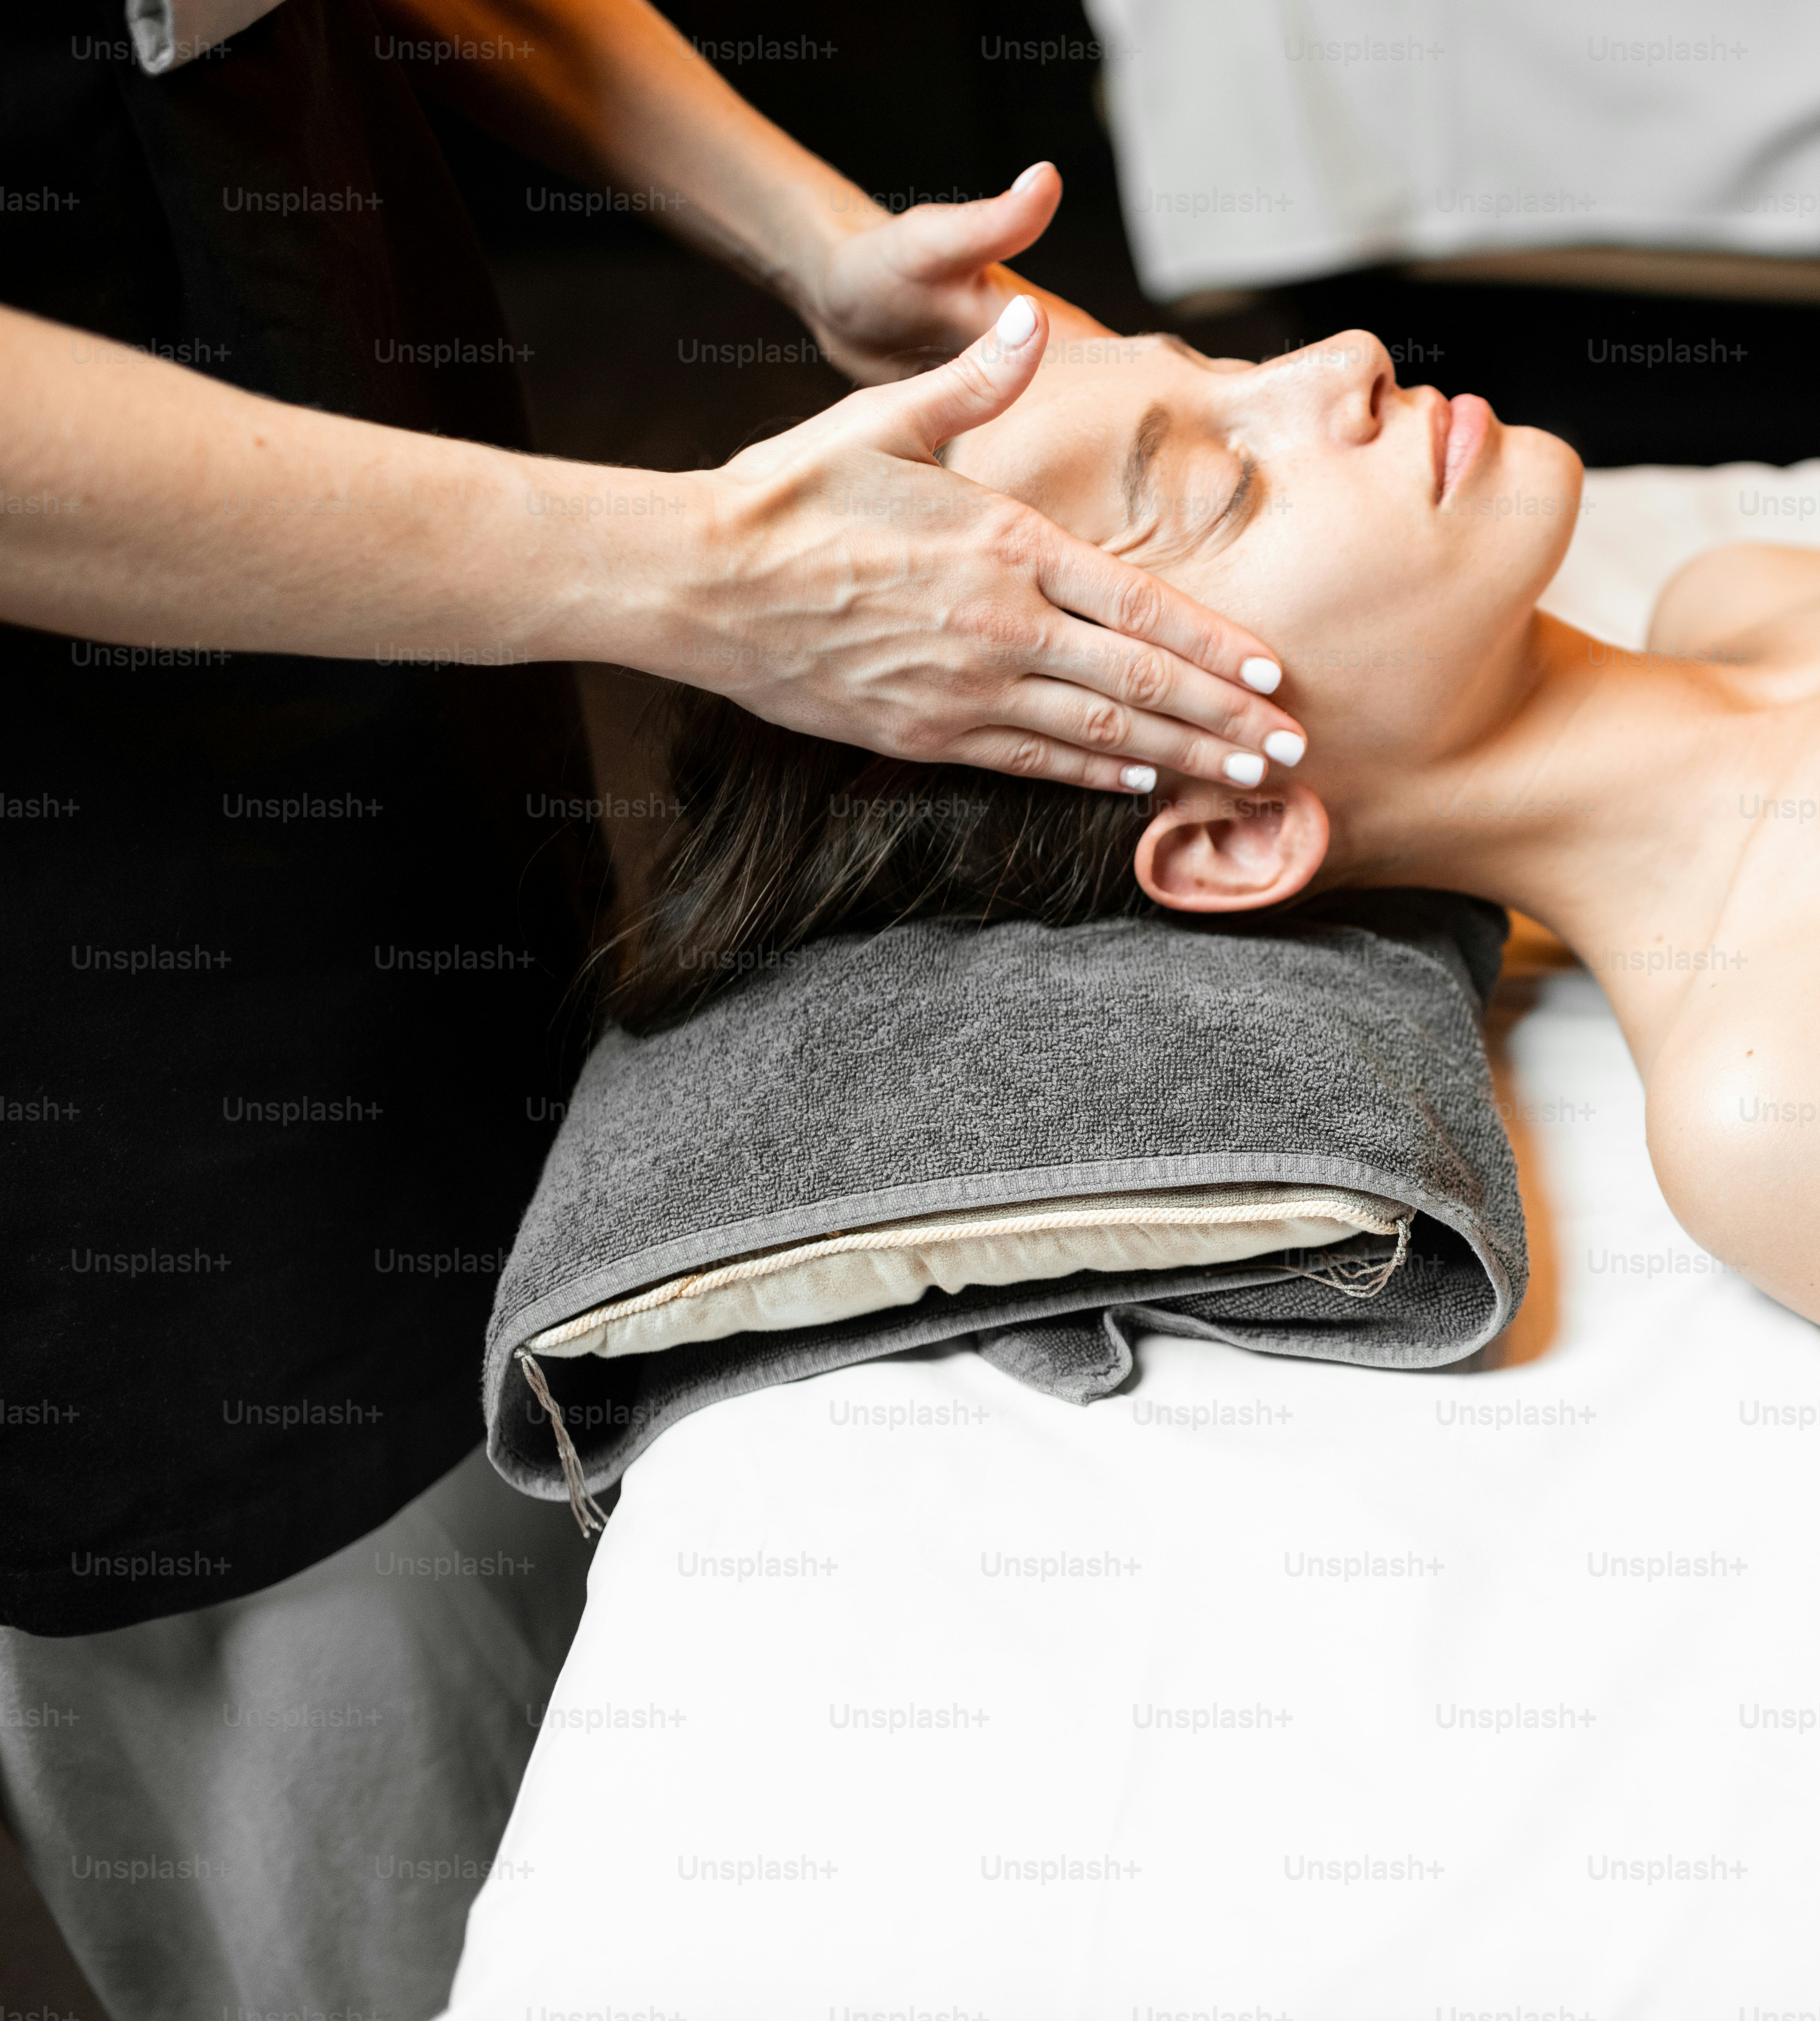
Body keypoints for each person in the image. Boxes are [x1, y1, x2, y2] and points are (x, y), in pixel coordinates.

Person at [0, 0, 1297, 2011]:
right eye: (1204, 465)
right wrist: (689, 575)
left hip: (392, 619)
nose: (1343, 364)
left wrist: (807, 231)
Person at [609, 328, 1820, 1412]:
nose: (1342, 361)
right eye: (1223, 487)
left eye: (1222, 369)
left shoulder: (1748, 585)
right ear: (1240, 831)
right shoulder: (1798, 1108)